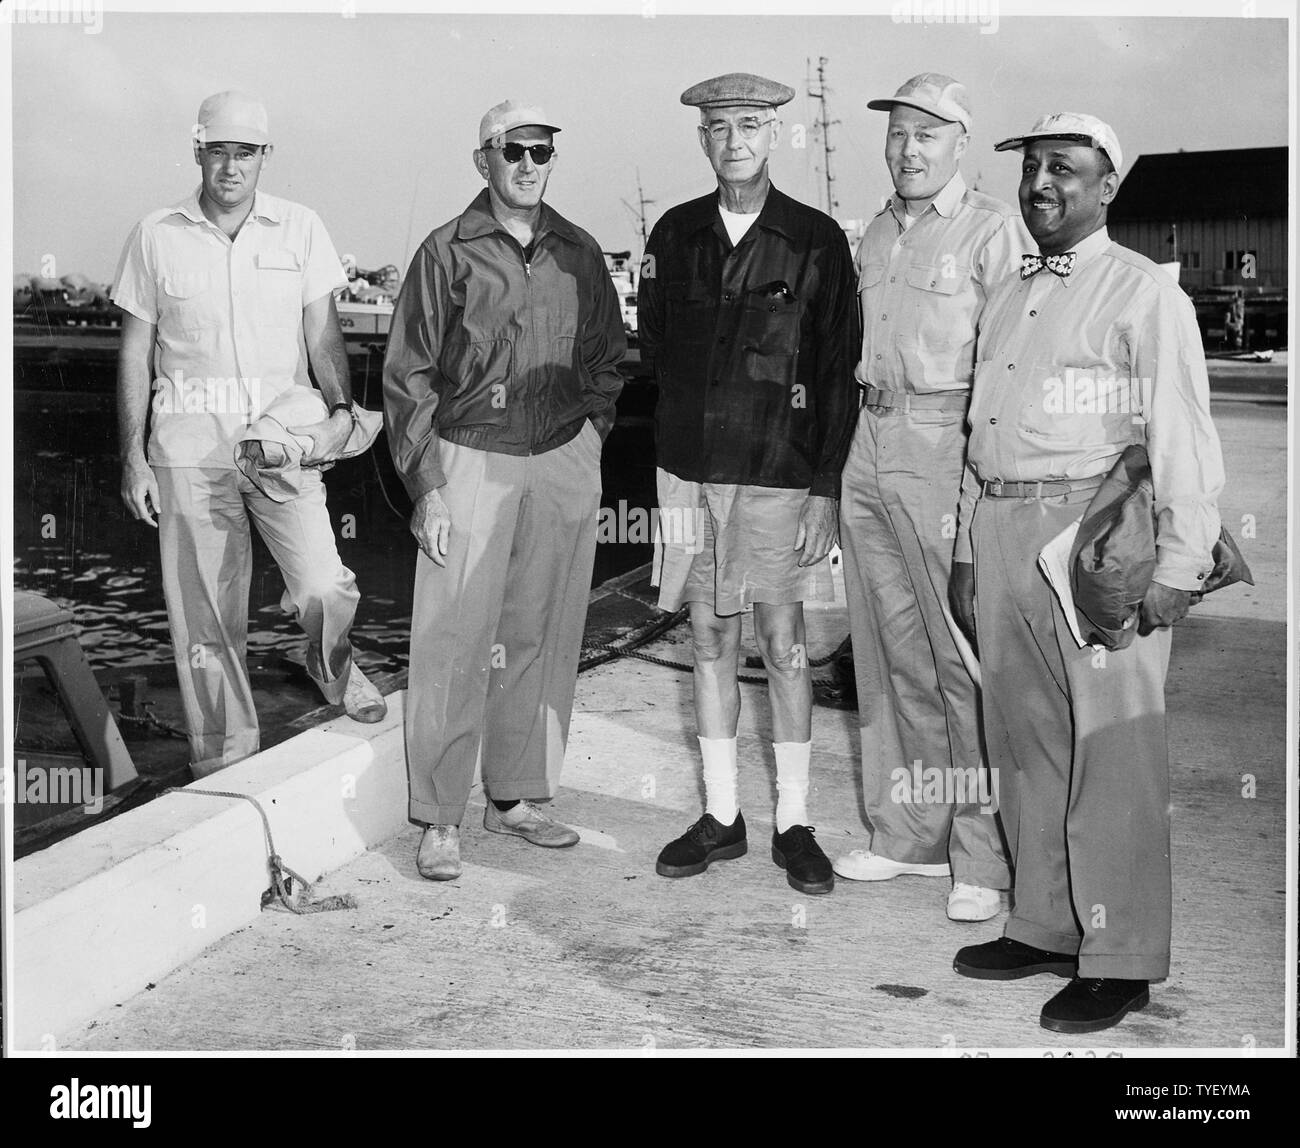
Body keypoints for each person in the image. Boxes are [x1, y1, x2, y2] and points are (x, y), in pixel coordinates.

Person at [948, 114, 1224, 1033]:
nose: (1040, 184)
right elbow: (977, 430)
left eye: (1063, 168)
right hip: (1000, 523)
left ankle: (1121, 956)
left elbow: (1182, 434)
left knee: (1113, 751)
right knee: (1025, 742)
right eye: (1030, 168)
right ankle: (1047, 924)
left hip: (1092, 537)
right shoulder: (1007, 290)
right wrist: (963, 546)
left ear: (1108, 185)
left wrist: (1179, 567)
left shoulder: (1145, 294)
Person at [383, 99, 625, 881]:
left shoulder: (580, 252)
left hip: (560, 457)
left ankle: (517, 796)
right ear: (482, 159)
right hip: (467, 459)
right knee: (453, 639)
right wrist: (426, 485)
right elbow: (408, 376)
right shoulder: (445, 252)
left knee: (540, 631)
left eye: (541, 151)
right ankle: (440, 816)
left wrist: (589, 438)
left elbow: (607, 359)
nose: (527, 164)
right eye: (511, 150)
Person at [112, 90, 387, 779]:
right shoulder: (155, 234)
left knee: (323, 585)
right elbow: (134, 352)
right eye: (218, 151)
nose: (230, 167)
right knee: (204, 625)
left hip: (279, 443)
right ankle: (225, 764)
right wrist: (133, 458)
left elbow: (324, 336)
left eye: (245, 153)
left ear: (265, 157)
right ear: (197, 151)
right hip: (187, 451)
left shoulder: (301, 229)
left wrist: (341, 414)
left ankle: (331, 659)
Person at [638, 73, 857, 894]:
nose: (736, 140)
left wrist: (825, 487)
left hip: (778, 477)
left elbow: (836, 372)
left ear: (775, 136)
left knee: (787, 646)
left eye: (752, 125)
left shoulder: (815, 240)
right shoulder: (674, 234)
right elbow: (655, 352)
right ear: (703, 138)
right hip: (690, 476)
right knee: (707, 639)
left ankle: (794, 823)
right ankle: (722, 816)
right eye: (721, 127)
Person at [833, 74, 1027, 922]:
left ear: (961, 143)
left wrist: (982, 489)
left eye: (926, 134)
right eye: (897, 133)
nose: (907, 149)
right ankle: (908, 834)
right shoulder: (876, 232)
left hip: (946, 445)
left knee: (961, 657)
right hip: (867, 442)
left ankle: (980, 857)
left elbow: (1011, 368)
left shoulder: (994, 231)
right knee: (886, 649)